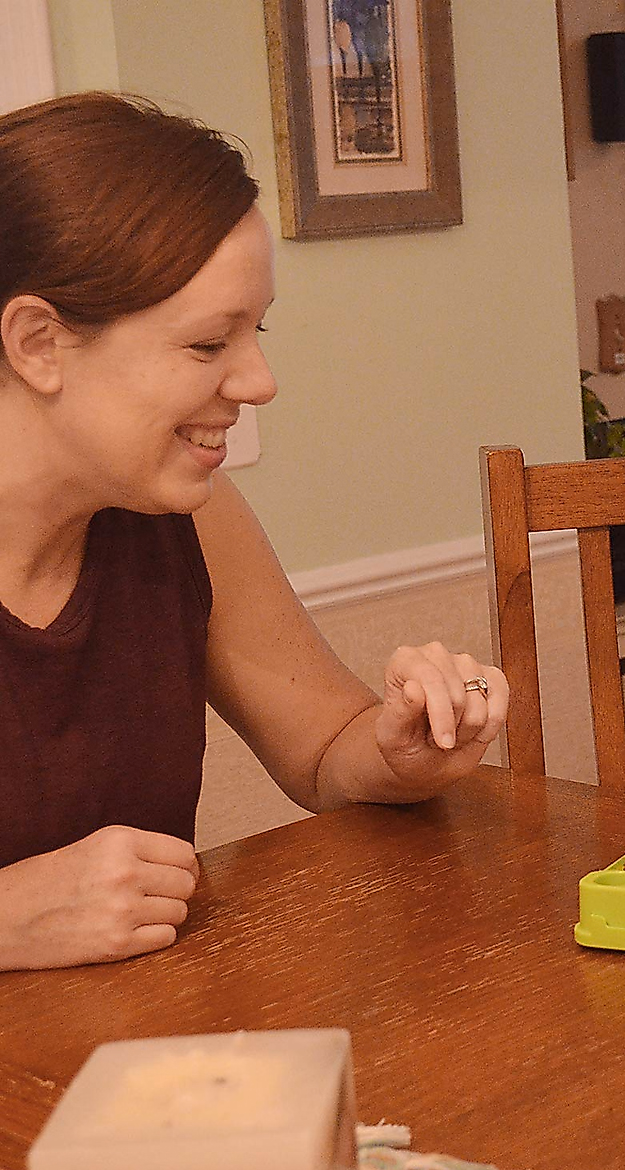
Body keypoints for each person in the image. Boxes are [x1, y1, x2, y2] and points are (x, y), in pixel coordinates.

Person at [0, 92, 509, 971]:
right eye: (208, 345)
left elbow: (322, 752)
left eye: (257, 330)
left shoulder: (187, 517)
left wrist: (400, 751)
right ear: (40, 344)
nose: (260, 381)